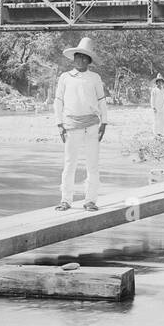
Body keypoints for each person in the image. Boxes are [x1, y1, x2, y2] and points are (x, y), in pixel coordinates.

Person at [53, 37, 108, 211]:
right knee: (70, 163)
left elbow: (101, 101)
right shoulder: (65, 77)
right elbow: (58, 101)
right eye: (78, 56)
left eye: (85, 57)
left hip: (92, 125)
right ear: (74, 58)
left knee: (92, 164)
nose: (81, 60)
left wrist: (104, 123)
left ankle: (90, 200)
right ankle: (66, 200)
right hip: (71, 125)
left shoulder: (95, 78)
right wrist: (59, 124)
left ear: (89, 61)